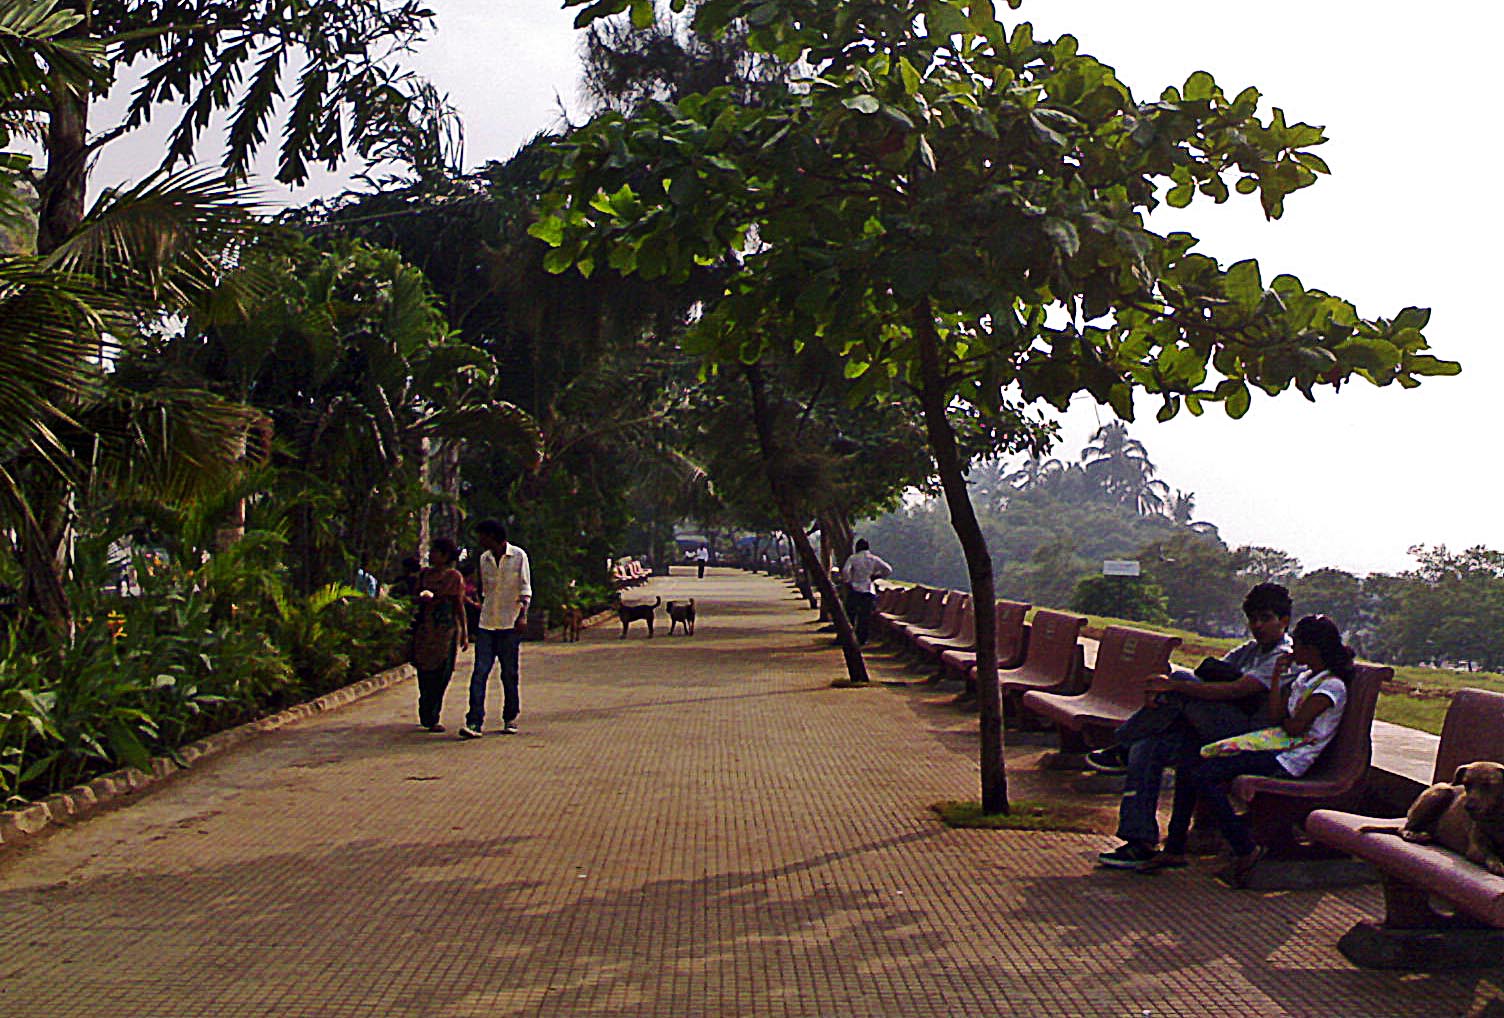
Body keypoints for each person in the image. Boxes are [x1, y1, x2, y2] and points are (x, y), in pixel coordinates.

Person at [1096, 582, 1294, 870]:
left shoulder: (1282, 656)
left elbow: (1235, 690)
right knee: (1147, 748)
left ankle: (1122, 744)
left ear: (1284, 621)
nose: (1257, 626)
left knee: (1182, 684)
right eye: (1253, 619)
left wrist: (1173, 686)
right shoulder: (1249, 651)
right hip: (1214, 725)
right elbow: (1210, 677)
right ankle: (1139, 842)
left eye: (1266, 618)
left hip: (1248, 736)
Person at [1160, 614, 1354, 884]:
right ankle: (1175, 846)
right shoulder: (1306, 679)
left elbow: (1296, 728)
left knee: (1203, 775)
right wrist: (1277, 677)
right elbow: (1278, 717)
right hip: (1277, 747)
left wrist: (1287, 723)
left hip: (1290, 759)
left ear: (1311, 649)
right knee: (1192, 762)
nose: (1292, 651)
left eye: (1297, 645)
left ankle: (1244, 846)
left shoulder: (1332, 687)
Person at [459, 519, 531, 739]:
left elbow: (525, 588)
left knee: (509, 674)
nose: (480, 541)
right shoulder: (484, 559)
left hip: (510, 623)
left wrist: (523, 616)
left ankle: (510, 717)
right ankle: (474, 721)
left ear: (493, 536)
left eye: (483, 536)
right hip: (487, 623)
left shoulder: (518, 556)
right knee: (479, 673)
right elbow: (486, 590)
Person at [410, 538, 468, 732]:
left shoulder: (454, 577)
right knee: (424, 670)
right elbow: (413, 598)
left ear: (444, 556)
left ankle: (433, 713)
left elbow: (459, 605)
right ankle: (426, 709)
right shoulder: (424, 575)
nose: (432, 555)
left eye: (436, 552)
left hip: (446, 630)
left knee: (443, 672)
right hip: (426, 629)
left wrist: (464, 632)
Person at [839, 538, 892, 646]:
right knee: (865, 617)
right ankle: (862, 639)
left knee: (850, 614)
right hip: (868, 590)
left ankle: (848, 637)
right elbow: (888, 569)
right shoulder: (873, 559)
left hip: (854, 589)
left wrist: (848, 580)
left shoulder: (853, 558)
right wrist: (876, 576)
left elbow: (845, 571)